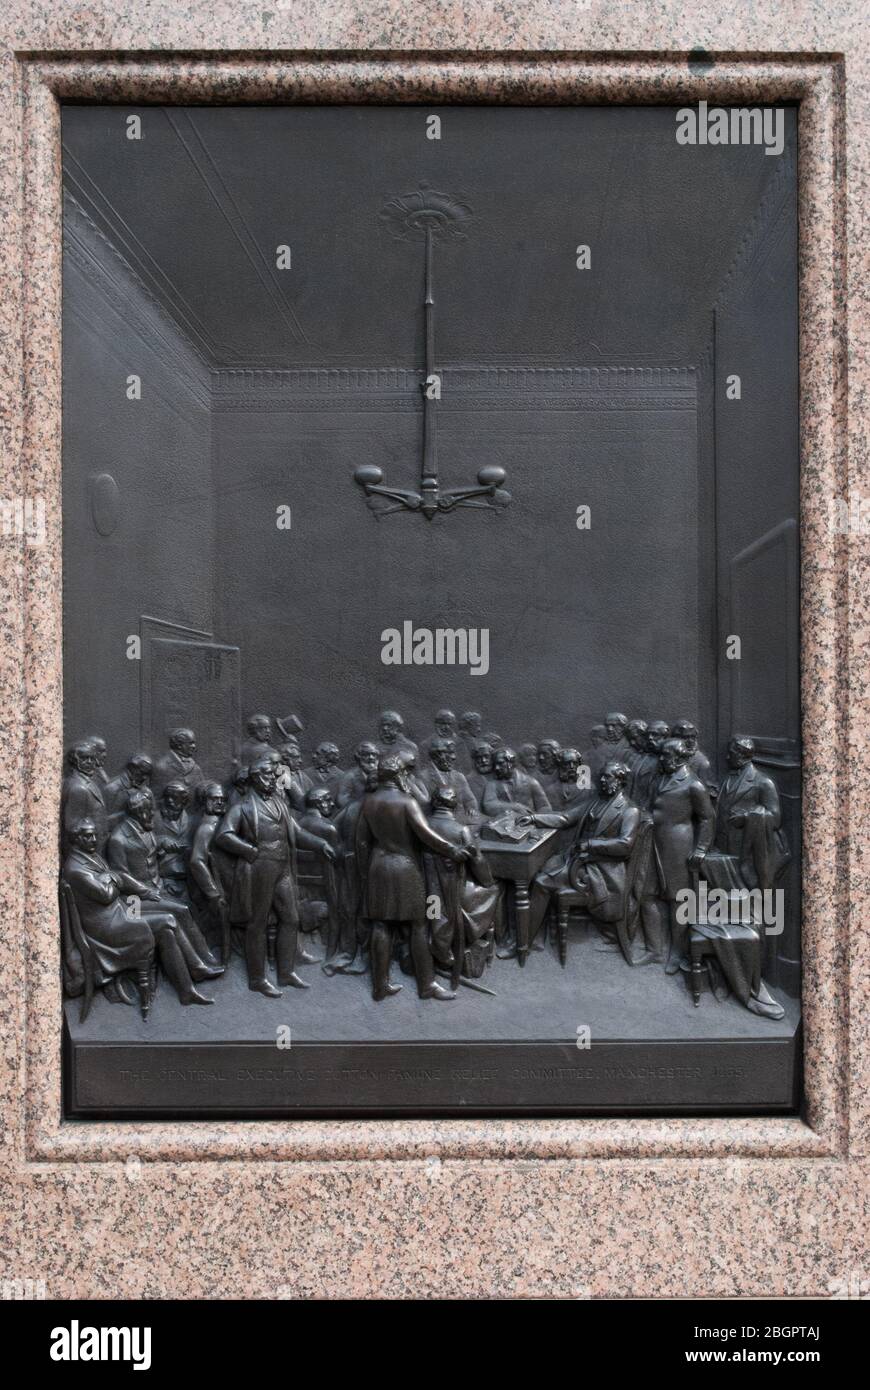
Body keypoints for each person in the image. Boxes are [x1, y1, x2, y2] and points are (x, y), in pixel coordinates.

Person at [215, 752, 336, 995]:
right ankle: (257, 979)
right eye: (269, 775)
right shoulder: (243, 807)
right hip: (259, 868)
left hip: (283, 868)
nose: (273, 779)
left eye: (273, 774)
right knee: (257, 923)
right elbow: (223, 835)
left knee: (291, 918)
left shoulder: (280, 803)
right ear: (257, 778)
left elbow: (296, 830)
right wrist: (249, 850)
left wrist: (319, 844)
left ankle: (286, 972)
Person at [355, 755, 469, 1001]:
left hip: (378, 867)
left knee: (380, 925)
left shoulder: (368, 802)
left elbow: (362, 841)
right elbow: (426, 835)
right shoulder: (407, 802)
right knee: (420, 925)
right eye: (405, 774)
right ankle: (426, 985)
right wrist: (453, 850)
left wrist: (366, 872)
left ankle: (379, 985)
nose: (407, 777)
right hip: (405, 868)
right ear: (398, 776)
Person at [107, 788, 223, 984]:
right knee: (180, 910)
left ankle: (206, 958)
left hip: (153, 890)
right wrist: (146, 891)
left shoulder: (145, 829)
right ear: (140, 812)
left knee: (184, 909)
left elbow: (146, 848)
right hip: (132, 900)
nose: (153, 813)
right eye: (149, 810)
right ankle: (197, 966)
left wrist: (165, 844)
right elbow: (120, 875)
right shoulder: (118, 839)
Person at [527, 762, 641, 951]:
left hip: (601, 869)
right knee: (536, 869)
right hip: (577, 860)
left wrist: (590, 844)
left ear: (620, 781)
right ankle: (537, 934)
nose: (602, 780)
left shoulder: (630, 810)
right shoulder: (597, 800)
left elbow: (625, 845)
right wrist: (534, 818)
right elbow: (565, 818)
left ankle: (526, 941)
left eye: (607, 777)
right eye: (602, 776)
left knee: (541, 883)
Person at [651, 738, 716, 974]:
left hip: (678, 847)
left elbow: (708, 818)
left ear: (678, 759)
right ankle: (655, 947)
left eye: (665, 756)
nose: (661, 760)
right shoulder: (663, 777)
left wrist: (700, 849)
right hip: (656, 844)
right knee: (656, 894)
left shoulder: (693, 785)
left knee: (678, 899)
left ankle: (677, 952)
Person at [422, 787, 500, 979]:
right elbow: (479, 863)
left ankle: (444, 946)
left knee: (436, 909)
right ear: (455, 805)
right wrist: (489, 882)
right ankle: (466, 938)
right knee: (493, 891)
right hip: (450, 892)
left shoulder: (422, 826)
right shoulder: (460, 831)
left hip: (428, 890)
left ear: (434, 803)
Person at [189, 782, 232, 964]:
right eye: (215, 799)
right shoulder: (207, 827)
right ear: (204, 801)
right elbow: (196, 861)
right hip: (213, 889)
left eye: (222, 799)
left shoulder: (219, 822)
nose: (220, 802)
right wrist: (213, 892)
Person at [419, 738, 479, 822]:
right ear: (437, 755)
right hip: (437, 822)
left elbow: (470, 800)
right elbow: (423, 808)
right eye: (450, 753)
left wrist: (471, 808)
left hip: (461, 821)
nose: (454, 757)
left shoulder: (459, 776)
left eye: (453, 753)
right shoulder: (424, 777)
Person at [61, 739, 108, 847]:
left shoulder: (86, 781)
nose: (90, 762)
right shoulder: (78, 788)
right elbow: (73, 829)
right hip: (88, 850)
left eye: (92, 758)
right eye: (84, 759)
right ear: (74, 761)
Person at [481, 747, 550, 819]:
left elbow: (545, 808)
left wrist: (534, 819)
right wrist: (515, 807)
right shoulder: (492, 784)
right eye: (495, 765)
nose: (497, 768)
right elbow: (488, 806)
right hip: (503, 826)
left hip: (528, 825)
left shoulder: (531, 782)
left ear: (511, 763)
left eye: (500, 763)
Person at [154, 781, 193, 899]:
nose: (170, 801)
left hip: (189, 879)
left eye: (174, 798)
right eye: (167, 797)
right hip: (163, 878)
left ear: (184, 801)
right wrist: (161, 841)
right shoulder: (154, 818)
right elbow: (139, 842)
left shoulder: (192, 821)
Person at [152, 727, 205, 800]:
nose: (194, 746)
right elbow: (156, 798)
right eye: (190, 743)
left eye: (194, 743)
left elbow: (202, 792)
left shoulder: (196, 768)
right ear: (179, 745)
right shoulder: (162, 767)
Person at [671, 719, 717, 797]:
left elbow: (708, 793)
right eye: (686, 737)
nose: (691, 741)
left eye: (693, 737)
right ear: (675, 738)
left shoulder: (702, 762)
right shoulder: (667, 756)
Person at [105, 753, 153, 823]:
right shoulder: (112, 789)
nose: (144, 777)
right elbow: (104, 821)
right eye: (142, 772)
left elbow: (152, 816)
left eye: (147, 774)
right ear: (132, 768)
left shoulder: (147, 792)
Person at [337, 741, 381, 809]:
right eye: (366, 754)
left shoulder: (383, 774)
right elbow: (341, 800)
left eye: (374, 754)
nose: (371, 758)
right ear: (359, 757)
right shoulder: (349, 776)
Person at [467, 741, 496, 808]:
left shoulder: (500, 776)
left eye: (486, 756)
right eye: (479, 757)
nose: (483, 760)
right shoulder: (468, 780)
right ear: (474, 760)